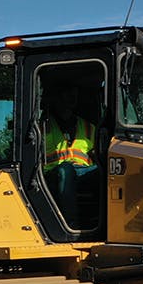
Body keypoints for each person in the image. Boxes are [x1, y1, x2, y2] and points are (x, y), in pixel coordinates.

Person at [42, 83, 99, 227]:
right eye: (67, 93)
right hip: (53, 173)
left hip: (83, 171)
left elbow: (96, 153)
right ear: (56, 97)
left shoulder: (88, 127)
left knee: (106, 172)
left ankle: (100, 221)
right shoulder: (42, 127)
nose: (72, 97)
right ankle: (70, 224)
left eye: (74, 93)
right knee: (65, 170)